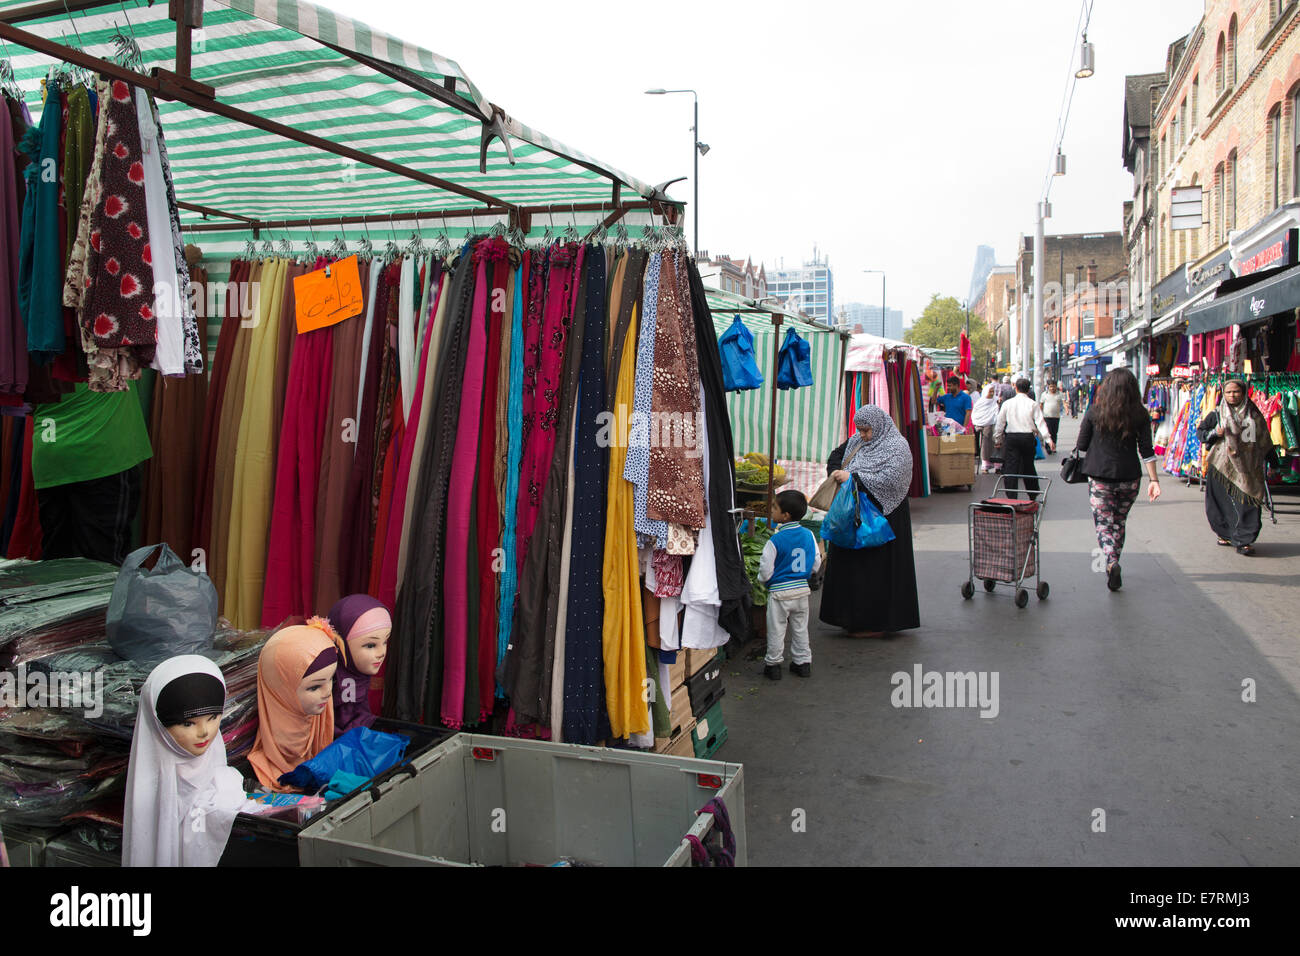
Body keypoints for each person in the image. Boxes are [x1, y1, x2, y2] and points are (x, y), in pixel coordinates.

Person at [820, 405, 920, 637]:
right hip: (854, 514)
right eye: (860, 430)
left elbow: (892, 480)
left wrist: (854, 478)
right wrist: (836, 472)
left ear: (879, 425)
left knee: (876, 573)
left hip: (885, 517)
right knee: (853, 570)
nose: (863, 435)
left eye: (866, 431)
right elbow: (836, 456)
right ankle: (849, 619)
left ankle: (876, 624)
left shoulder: (897, 446)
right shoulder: (857, 440)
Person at [31, 382, 153, 565]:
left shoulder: (28, 355)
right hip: (101, 452)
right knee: (106, 565)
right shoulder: (117, 353)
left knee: (57, 564)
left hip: (50, 454)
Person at [1076, 367, 1161, 591]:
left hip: (1099, 475)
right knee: (1119, 521)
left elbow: (1082, 444)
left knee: (1104, 523)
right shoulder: (1141, 414)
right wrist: (1155, 480)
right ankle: (1114, 560)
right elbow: (1146, 449)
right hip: (1130, 477)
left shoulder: (1095, 411)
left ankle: (1111, 561)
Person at [1196, 378, 1273, 555]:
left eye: (1236, 392)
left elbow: (1264, 440)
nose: (1232, 395)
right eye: (1229, 392)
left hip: (1248, 467)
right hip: (1221, 466)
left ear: (1244, 393)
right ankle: (1225, 534)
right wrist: (1215, 432)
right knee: (1220, 503)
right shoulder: (1216, 414)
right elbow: (1201, 433)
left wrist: (1273, 461)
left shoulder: (1253, 414)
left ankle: (1244, 540)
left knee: (1248, 503)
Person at [757, 490, 821, 680]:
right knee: (800, 628)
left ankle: (773, 665)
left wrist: (764, 581)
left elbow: (766, 570)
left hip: (779, 593)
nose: (772, 510)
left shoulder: (775, 540)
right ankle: (802, 663)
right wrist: (803, 575)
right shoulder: (809, 535)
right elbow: (816, 563)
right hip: (801, 591)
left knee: (777, 630)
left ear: (785, 516)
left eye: (775, 507)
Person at [993, 378, 1054, 498]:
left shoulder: (1007, 403)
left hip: (1012, 437)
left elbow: (1000, 423)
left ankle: (1011, 496)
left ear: (1015, 388)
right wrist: (1048, 439)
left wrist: (997, 439)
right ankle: (1033, 494)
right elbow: (1040, 422)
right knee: (1028, 466)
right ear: (1028, 389)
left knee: (1011, 467)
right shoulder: (1032, 404)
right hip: (1027, 438)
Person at [972, 383, 1000, 473]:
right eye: (990, 391)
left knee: (997, 447)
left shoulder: (996, 401)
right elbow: (975, 415)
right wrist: (979, 425)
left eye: (993, 391)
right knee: (985, 446)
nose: (991, 393)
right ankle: (985, 466)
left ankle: (998, 467)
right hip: (985, 429)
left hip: (995, 428)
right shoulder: (980, 403)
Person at [1039, 381, 1065, 451]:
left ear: (1056, 386)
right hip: (1047, 416)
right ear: (1048, 387)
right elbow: (1041, 405)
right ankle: (1048, 446)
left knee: (1054, 432)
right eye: (1050, 386)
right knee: (1048, 432)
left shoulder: (1060, 394)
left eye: (1053, 386)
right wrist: (1040, 414)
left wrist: (1067, 410)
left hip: (1056, 417)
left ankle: (1054, 446)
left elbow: (1064, 402)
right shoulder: (1044, 394)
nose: (1052, 388)